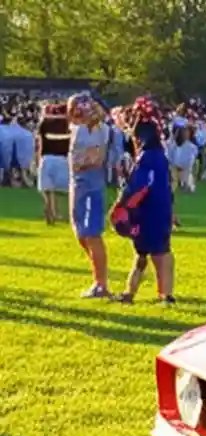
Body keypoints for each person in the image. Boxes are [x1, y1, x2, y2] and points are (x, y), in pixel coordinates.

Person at [112, 117, 175, 305]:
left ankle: (138, 293)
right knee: (161, 251)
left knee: (145, 254)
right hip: (162, 209)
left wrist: (122, 203)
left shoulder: (145, 158)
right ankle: (164, 293)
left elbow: (140, 186)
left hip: (147, 211)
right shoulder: (161, 157)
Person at [67, 94, 112, 299]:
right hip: (78, 183)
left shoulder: (96, 129)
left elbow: (97, 158)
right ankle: (98, 277)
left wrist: (80, 162)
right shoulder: (78, 129)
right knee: (80, 233)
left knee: (91, 233)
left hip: (89, 184)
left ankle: (101, 285)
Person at [36, 101, 71, 224]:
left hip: (47, 158)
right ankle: (66, 215)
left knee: (47, 189)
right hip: (63, 159)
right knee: (67, 190)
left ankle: (50, 211)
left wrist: (38, 160)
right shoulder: (69, 124)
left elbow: (41, 144)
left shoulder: (44, 123)